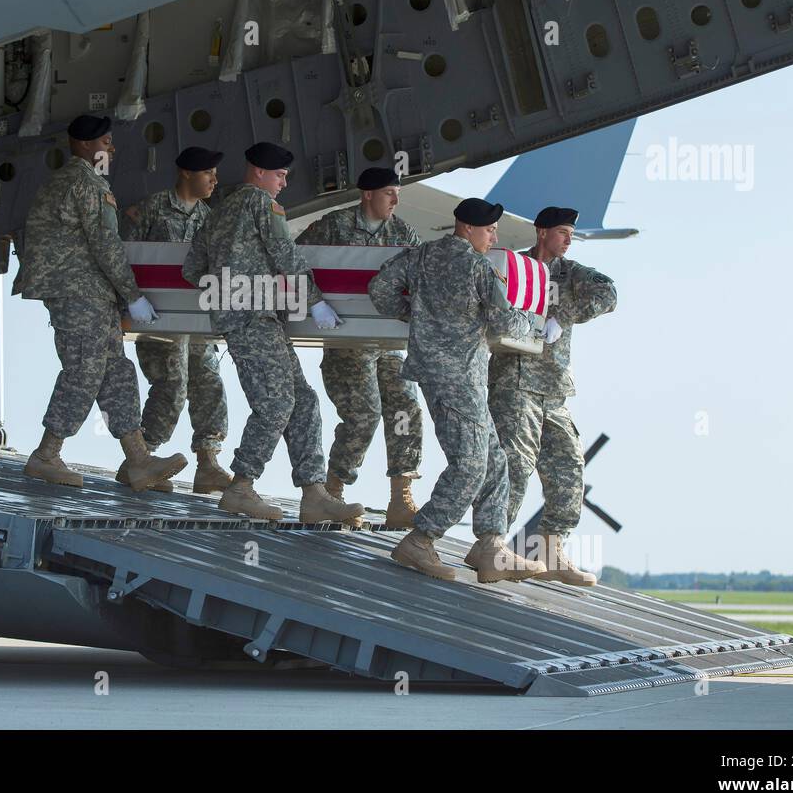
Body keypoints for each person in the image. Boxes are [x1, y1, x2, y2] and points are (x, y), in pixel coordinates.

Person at [182, 142, 363, 525]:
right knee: (277, 403)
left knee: (303, 399)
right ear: (259, 172)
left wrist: (225, 291)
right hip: (253, 317)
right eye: (280, 175)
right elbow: (285, 254)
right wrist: (314, 301)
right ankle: (241, 486)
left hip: (248, 317)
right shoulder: (261, 204)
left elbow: (192, 268)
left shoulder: (216, 214)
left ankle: (314, 494)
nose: (283, 183)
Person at [369, 197, 545, 582]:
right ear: (467, 229)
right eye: (489, 229)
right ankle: (421, 538)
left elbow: (380, 288)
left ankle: (490, 546)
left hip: (436, 373)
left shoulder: (421, 256)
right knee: (470, 463)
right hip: (460, 377)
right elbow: (504, 323)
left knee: (495, 458)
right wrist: (532, 320)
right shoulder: (477, 268)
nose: (493, 236)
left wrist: (415, 316)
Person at [14, 113, 185, 492]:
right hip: (77, 290)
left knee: (114, 371)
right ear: (87, 145)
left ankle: (138, 459)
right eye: (106, 142)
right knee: (85, 369)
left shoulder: (76, 181)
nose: (111, 148)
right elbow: (106, 244)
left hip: (90, 291)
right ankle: (46, 455)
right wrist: (134, 294)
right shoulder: (84, 182)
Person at [488, 205, 617, 586]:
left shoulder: (570, 274)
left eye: (571, 235)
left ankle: (551, 547)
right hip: (514, 382)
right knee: (515, 466)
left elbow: (608, 293)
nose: (567, 240)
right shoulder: (513, 266)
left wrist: (566, 315)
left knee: (569, 467)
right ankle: (493, 544)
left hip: (554, 388)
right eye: (562, 233)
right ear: (541, 232)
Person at [295, 167, 423, 528]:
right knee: (364, 415)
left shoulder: (403, 233)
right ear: (367, 194)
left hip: (387, 343)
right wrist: (316, 302)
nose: (395, 201)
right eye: (388, 193)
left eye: (397, 194)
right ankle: (332, 492)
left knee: (405, 408)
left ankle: (401, 496)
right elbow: (293, 261)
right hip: (348, 340)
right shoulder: (333, 226)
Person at [119, 147, 232, 494]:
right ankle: (141, 460)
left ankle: (208, 464)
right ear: (186, 173)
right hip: (159, 316)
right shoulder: (153, 208)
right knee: (172, 387)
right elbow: (129, 257)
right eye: (207, 173)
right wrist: (129, 304)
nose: (214, 179)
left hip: (196, 317)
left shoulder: (209, 218)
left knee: (209, 382)